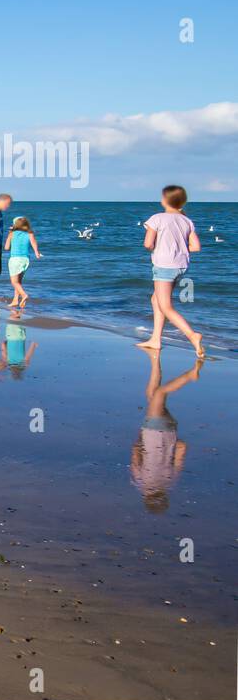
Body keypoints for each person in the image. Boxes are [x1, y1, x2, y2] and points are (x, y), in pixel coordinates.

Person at [136, 185, 204, 357]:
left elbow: (147, 244)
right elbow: (195, 247)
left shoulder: (157, 218)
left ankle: (192, 335)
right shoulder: (186, 221)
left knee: (166, 306)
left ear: (164, 200)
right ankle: (155, 340)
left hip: (164, 266)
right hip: (180, 266)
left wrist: (158, 248)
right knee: (156, 299)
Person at [130, 351, 202, 512]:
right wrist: (142, 437)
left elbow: (182, 448)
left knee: (152, 396)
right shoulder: (140, 481)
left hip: (170, 430)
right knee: (160, 393)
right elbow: (135, 450)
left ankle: (155, 363)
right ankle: (189, 376)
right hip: (152, 429)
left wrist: (170, 442)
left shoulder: (170, 481)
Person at [3, 216, 42, 308]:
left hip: (15, 260)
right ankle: (15, 300)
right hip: (25, 260)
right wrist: (37, 253)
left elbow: (6, 247)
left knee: (14, 282)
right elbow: (34, 243)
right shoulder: (30, 233)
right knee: (18, 282)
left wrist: (9, 234)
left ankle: (24, 295)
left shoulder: (12, 233)